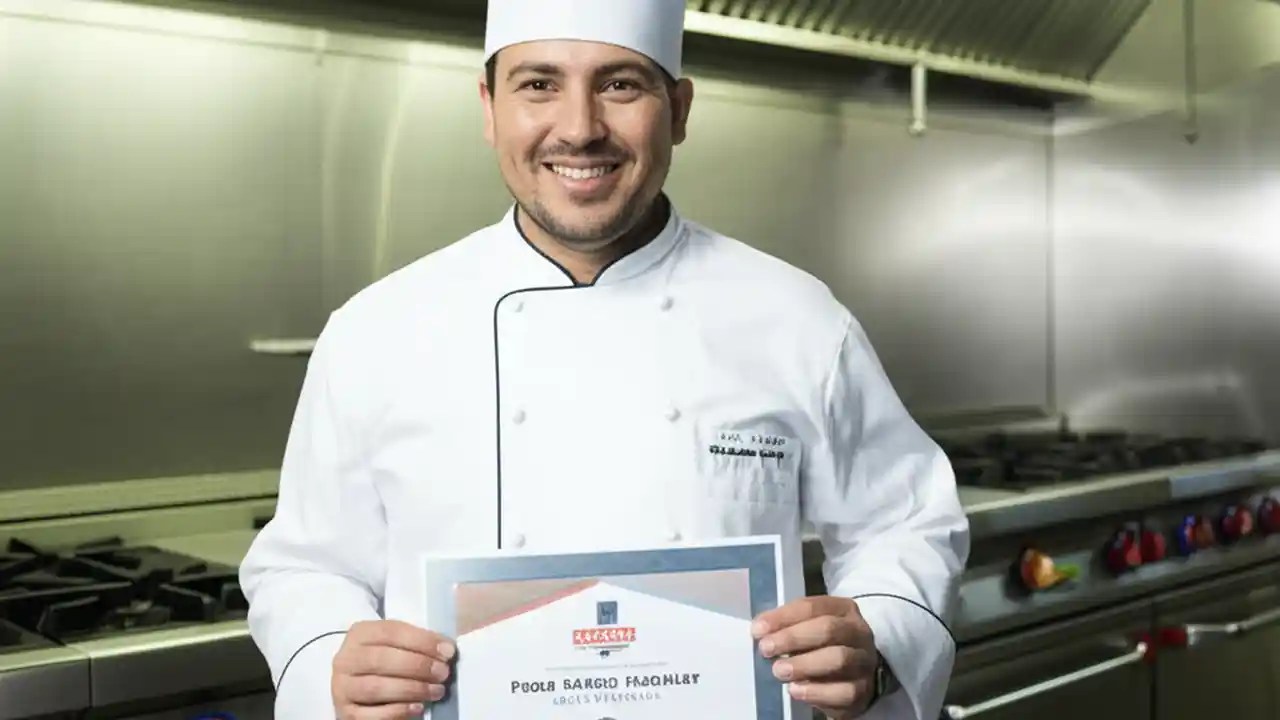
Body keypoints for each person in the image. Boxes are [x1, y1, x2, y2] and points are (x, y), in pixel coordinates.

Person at [238, 1, 970, 718]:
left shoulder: (796, 319)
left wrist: (876, 642)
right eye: (538, 84)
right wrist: (332, 665)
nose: (580, 129)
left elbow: (905, 523)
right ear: (488, 106)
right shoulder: (377, 331)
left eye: (620, 83)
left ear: (679, 111)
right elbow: (306, 564)